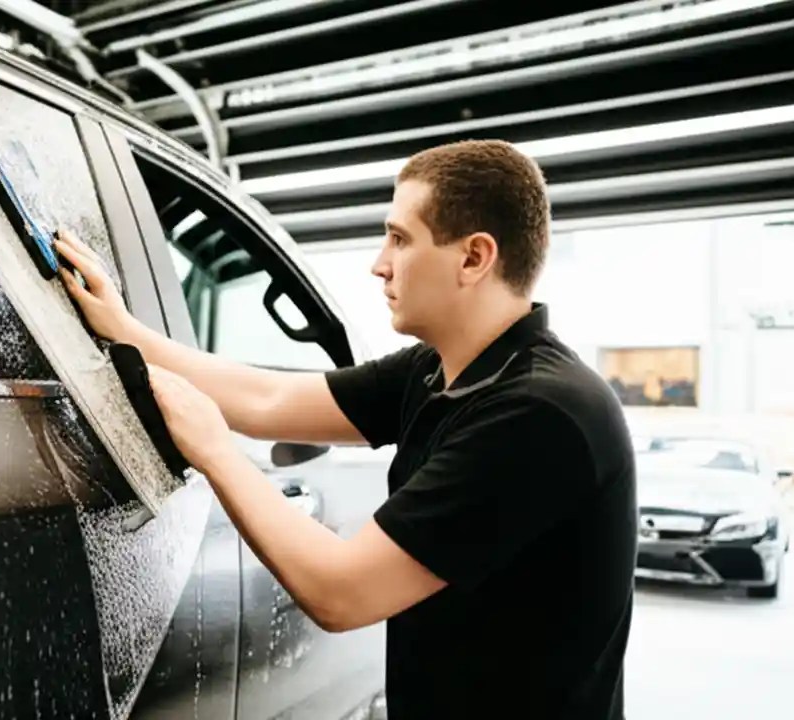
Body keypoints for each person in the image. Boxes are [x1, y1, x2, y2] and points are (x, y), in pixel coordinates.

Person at [55, 139, 637, 720]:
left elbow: (342, 593)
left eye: (400, 237)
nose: (379, 262)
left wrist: (213, 450)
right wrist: (126, 330)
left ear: (473, 258)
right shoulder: (438, 369)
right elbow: (269, 398)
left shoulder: (539, 414)